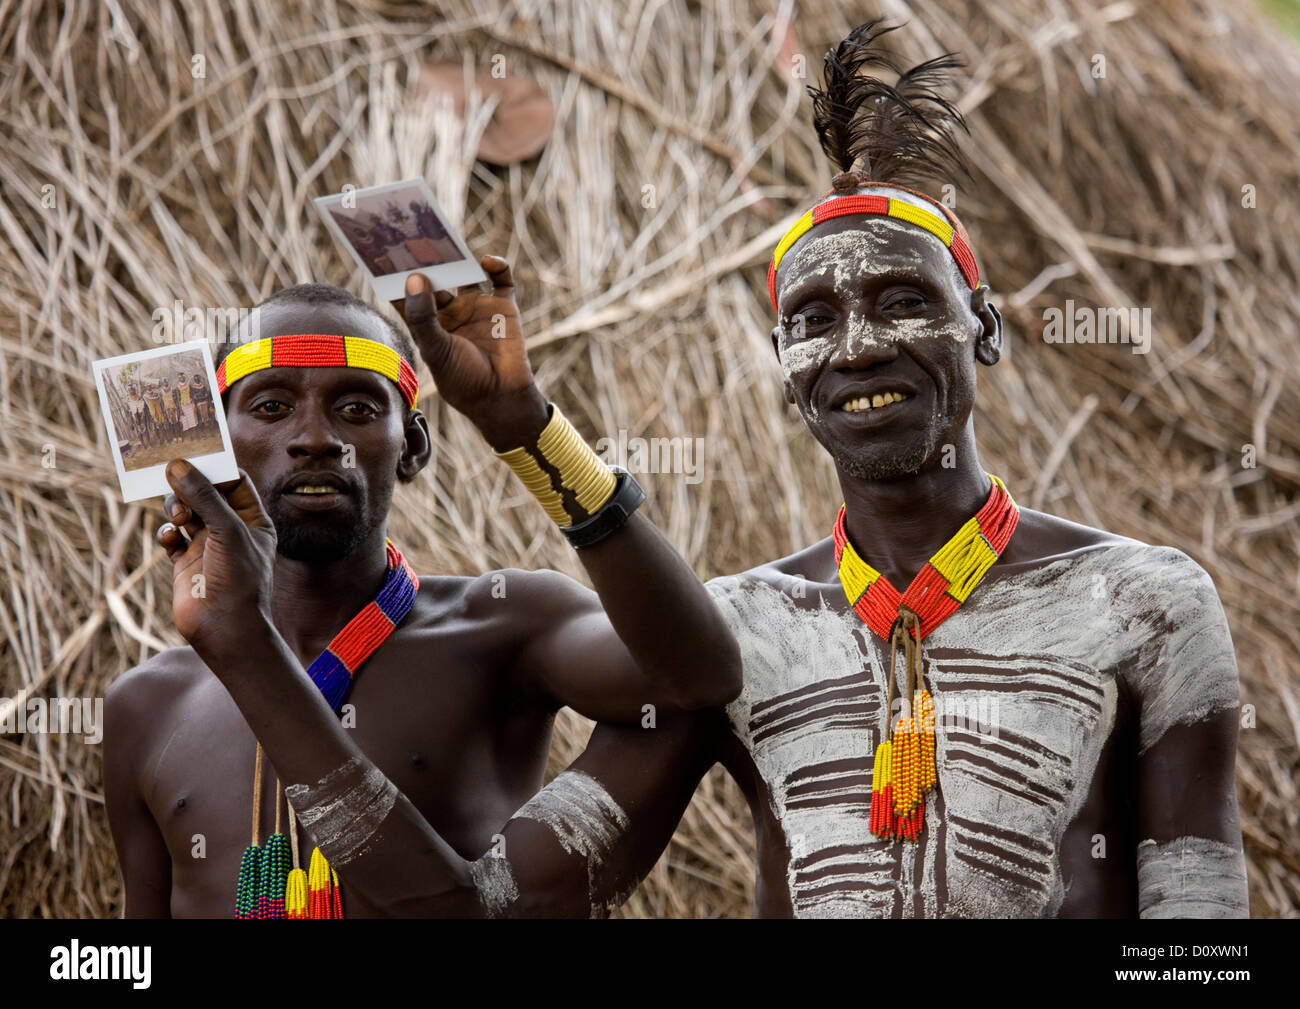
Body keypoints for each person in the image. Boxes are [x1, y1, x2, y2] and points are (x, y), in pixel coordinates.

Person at [345, 19, 1249, 919]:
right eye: (814, 318)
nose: (857, 346)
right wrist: (520, 425)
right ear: (785, 373)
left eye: (902, 302)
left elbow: (1200, 933)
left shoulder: (1143, 602)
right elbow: (499, 905)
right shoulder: (738, 633)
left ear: (986, 328)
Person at [102, 257, 742, 918]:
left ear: (411, 445)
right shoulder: (147, 707)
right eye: (271, 406)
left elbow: (703, 674)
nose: (315, 439)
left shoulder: (502, 626)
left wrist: (526, 428)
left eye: (355, 407)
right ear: (221, 448)